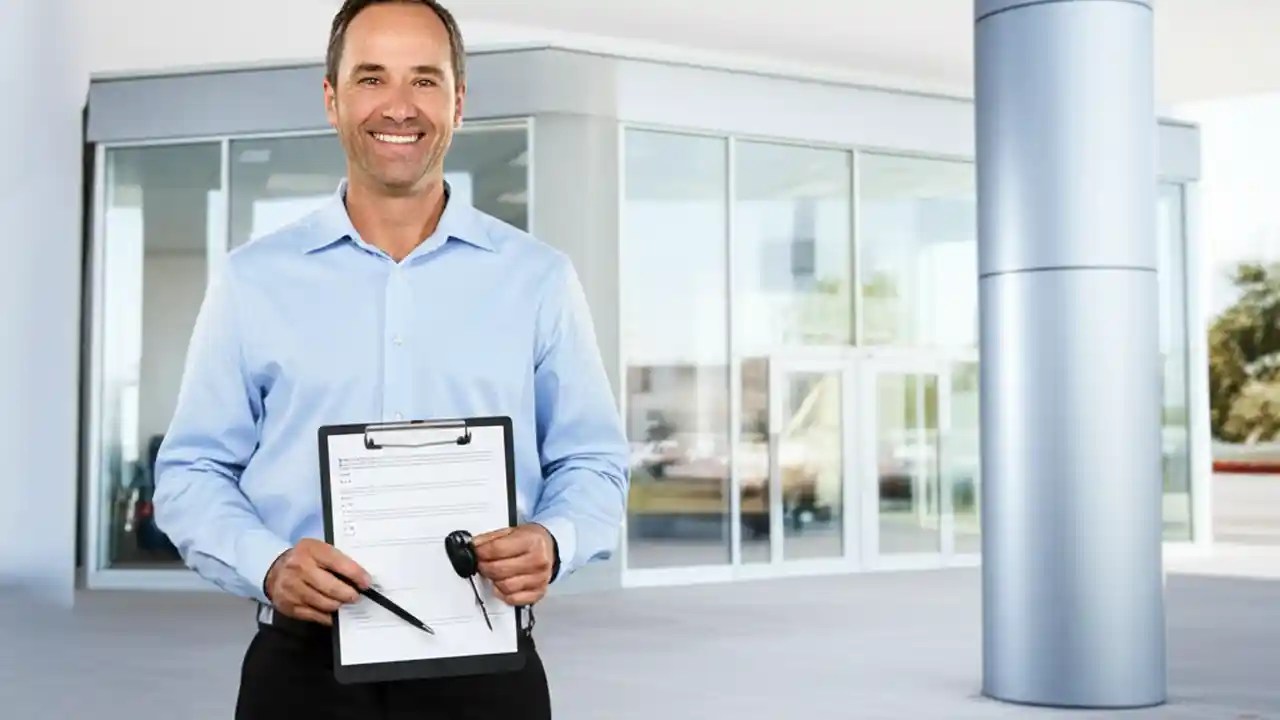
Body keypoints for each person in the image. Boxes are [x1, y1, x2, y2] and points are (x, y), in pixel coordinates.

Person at [151, 1, 629, 717]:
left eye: (425, 81)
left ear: (459, 103)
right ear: (332, 98)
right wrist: (269, 562)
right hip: (304, 671)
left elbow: (593, 462)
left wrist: (555, 540)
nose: (399, 107)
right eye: (372, 78)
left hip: (486, 669)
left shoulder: (538, 279)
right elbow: (191, 473)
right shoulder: (253, 280)